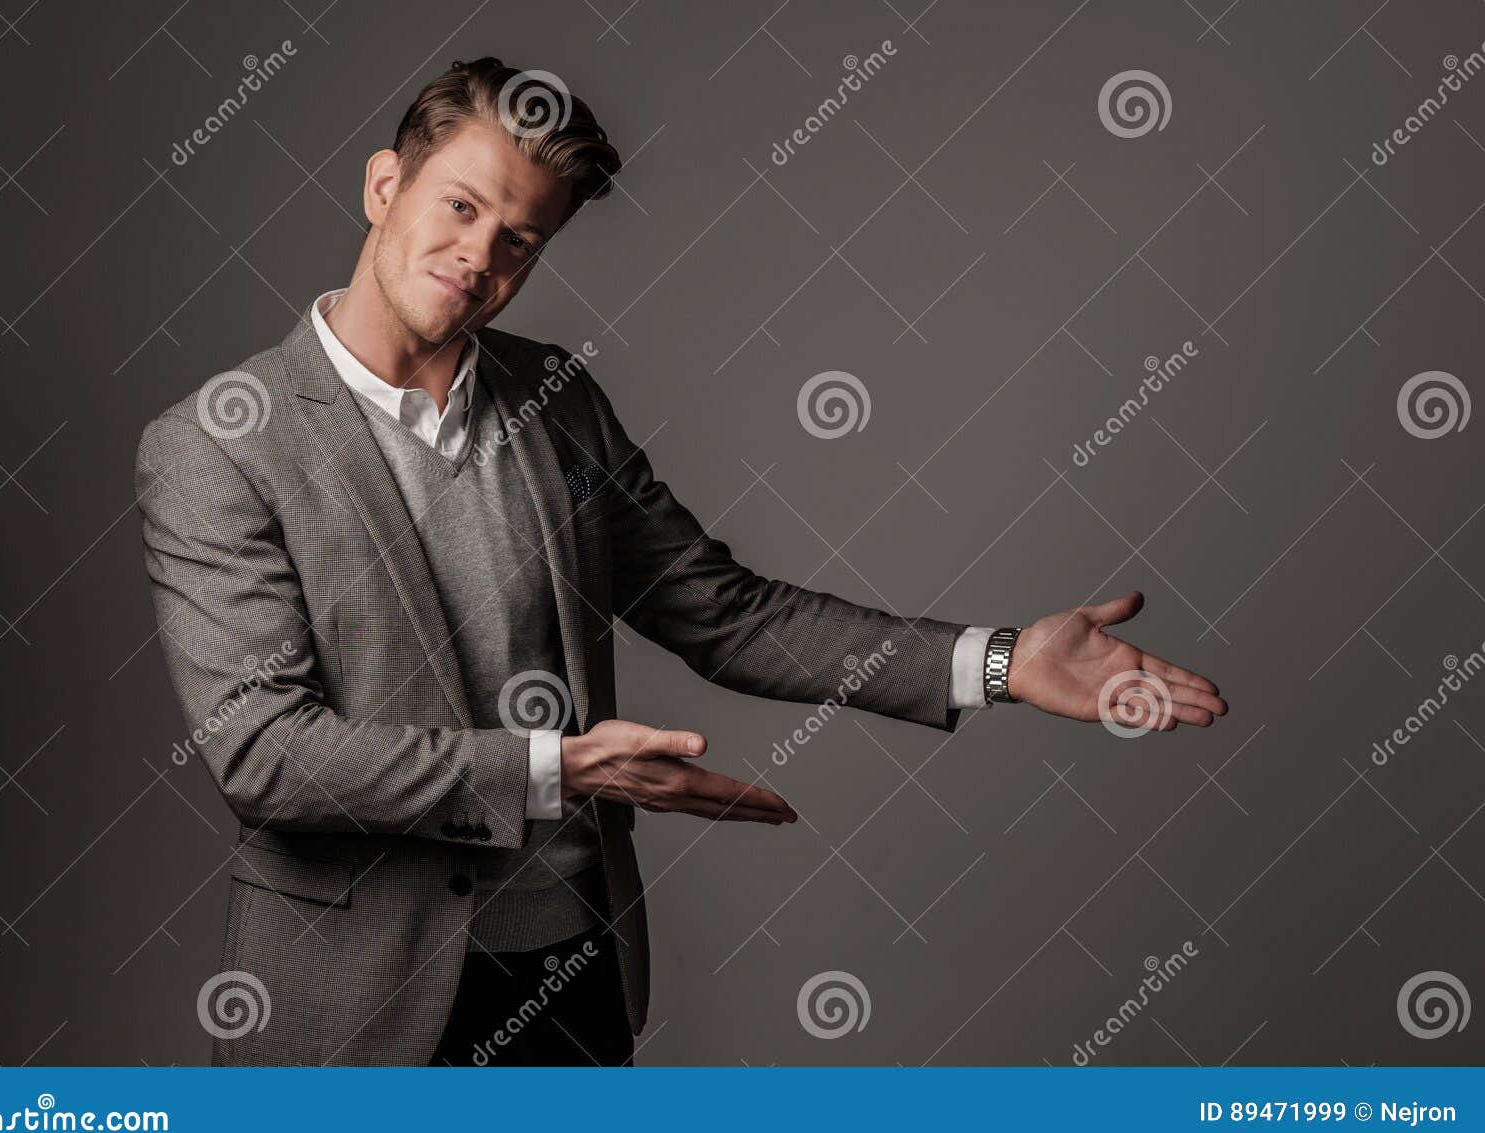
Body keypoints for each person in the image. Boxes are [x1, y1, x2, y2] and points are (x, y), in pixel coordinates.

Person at [133, 56, 1227, 1067]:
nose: (480, 256)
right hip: (353, 1003)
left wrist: (998, 661)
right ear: (384, 186)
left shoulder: (554, 399)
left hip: (572, 971)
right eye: (460, 207)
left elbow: (723, 611)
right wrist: (563, 769)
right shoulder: (221, 442)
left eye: (521, 239)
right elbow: (268, 755)